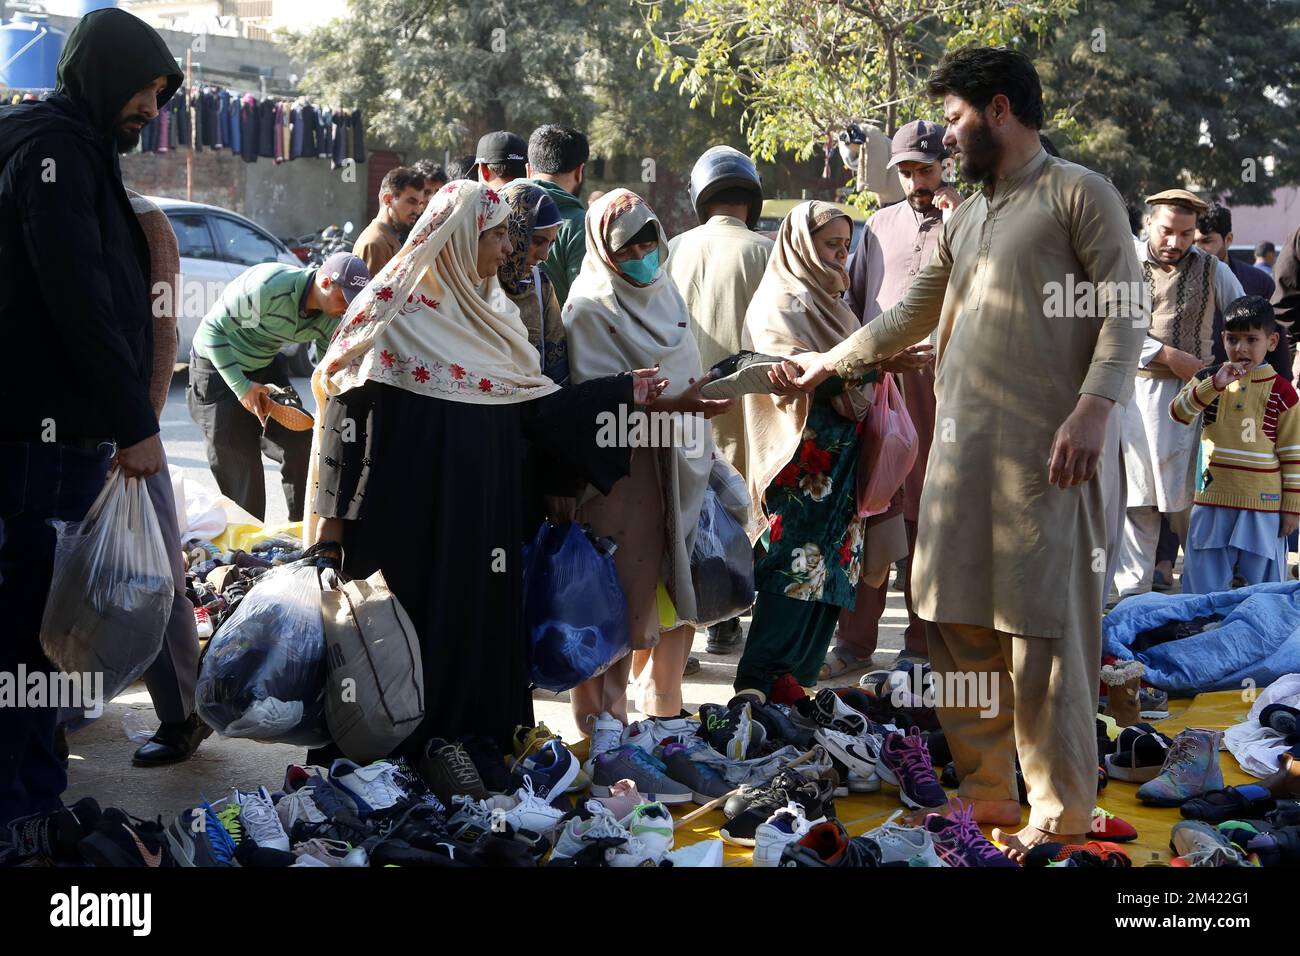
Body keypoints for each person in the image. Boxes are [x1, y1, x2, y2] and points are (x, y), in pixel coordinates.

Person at [771, 47, 1146, 860]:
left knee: (1042, 638)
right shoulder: (968, 213)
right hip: (959, 463)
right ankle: (987, 792)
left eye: (953, 118)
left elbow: (1126, 309)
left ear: (999, 110)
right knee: (955, 621)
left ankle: (1059, 817)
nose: (947, 136)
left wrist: (1094, 406)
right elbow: (909, 312)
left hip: (1048, 463)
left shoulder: (1080, 193)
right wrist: (828, 363)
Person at [306, 181, 664, 751]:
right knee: (401, 645)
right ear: (456, 239)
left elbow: (538, 409)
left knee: (473, 636)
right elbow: (342, 423)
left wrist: (623, 393)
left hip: (482, 529)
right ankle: (393, 757)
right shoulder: (392, 318)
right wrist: (330, 530)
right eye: (494, 234)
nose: (506, 248)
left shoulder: (495, 316)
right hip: (404, 532)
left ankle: (471, 749)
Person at [0, 7, 180, 826]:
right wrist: (135, 422)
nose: (152, 108)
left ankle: (30, 801)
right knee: (35, 639)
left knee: (33, 635)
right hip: (40, 443)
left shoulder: (54, 144)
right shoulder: (55, 152)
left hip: (40, 433)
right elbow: (78, 298)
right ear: (108, 76)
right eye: (145, 89)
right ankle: (24, 813)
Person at [565, 189, 733, 727]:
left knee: (664, 592)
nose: (643, 253)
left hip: (678, 467)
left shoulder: (669, 295)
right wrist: (675, 404)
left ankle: (659, 710)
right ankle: (599, 727)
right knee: (609, 599)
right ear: (603, 250)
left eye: (649, 240)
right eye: (628, 245)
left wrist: (691, 405)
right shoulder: (589, 307)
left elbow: (684, 371)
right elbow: (594, 399)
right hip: (620, 476)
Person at [735, 201, 912, 699]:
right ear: (802, 245)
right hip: (799, 473)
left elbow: (845, 367)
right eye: (830, 245)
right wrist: (879, 364)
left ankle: (796, 690)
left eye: (844, 246)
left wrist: (874, 363)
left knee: (830, 576)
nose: (840, 256)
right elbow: (795, 377)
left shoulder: (834, 302)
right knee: (792, 575)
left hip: (843, 472)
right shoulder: (780, 301)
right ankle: (754, 692)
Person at [823, 119, 959, 679]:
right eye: (904, 172)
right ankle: (854, 645)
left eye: (923, 170)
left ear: (945, 165)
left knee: (932, 510)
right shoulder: (876, 226)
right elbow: (852, 307)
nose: (914, 182)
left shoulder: (973, 221)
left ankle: (922, 644)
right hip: (883, 386)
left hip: (946, 389)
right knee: (873, 503)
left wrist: (959, 222)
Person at [666, 145, 773, 654]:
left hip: (679, 403)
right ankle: (726, 614)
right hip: (746, 406)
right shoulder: (768, 251)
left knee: (684, 510)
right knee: (737, 508)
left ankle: (677, 632)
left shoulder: (671, 248)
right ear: (751, 199)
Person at [1113, 190, 1244, 600]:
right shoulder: (1123, 263)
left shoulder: (1211, 269)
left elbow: (1246, 315)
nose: (1175, 242)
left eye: (1186, 234)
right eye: (1167, 231)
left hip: (1197, 399)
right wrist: (1168, 355)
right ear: (1148, 224)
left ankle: (1208, 599)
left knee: (1194, 504)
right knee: (1138, 501)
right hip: (1133, 394)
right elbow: (1107, 323)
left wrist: (1240, 371)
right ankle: (1131, 605)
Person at [188, 252, 370, 522]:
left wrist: (333, 405)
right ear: (324, 282)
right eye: (343, 297)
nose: (346, 306)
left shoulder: (332, 317)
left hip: (265, 362)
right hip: (217, 365)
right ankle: (247, 549)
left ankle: (301, 530)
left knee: (300, 443)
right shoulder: (268, 287)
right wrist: (242, 388)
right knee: (241, 464)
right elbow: (212, 331)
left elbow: (326, 367)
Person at [127, 191, 208, 766]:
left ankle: (182, 715)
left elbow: (162, 335)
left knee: (157, 578)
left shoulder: (142, 219)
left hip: (123, 433)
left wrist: (141, 430)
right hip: (37, 432)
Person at [1169, 295, 1299, 593]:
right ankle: (1200, 637)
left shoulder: (1282, 393)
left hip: (1263, 505)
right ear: (1222, 339)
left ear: (1273, 341)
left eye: (1252, 339)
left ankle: (1259, 638)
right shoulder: (1208, 380)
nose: (1240, 348)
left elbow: (1293, 455)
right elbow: (1178, 413)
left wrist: (1292, 507)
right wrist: (1214, 384)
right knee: (1203, 587)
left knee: (1263, 590)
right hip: (1212, 499)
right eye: (1232, 339)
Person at [1196, 202, 1287, 375]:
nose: (1198, 249)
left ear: (1228, 239)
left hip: (1247, 390)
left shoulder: (1258, 282)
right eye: (1192, 241)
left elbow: (1277, 344)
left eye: (1206, 241)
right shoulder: (1176, 281)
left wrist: (1282, 387)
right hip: (1191, 387)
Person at [497, 182, 569, 384]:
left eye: (551, 243)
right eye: (536, 241)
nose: (545, 255)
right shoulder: (481, 283)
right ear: (510, 231)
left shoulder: (540, 285)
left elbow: (557, 369)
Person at [526, 124, 589, 306]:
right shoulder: (580, 224)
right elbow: (583, 303)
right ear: (580, 171)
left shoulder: (498, 210)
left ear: (528, 170)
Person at [353, 166, 425, 276]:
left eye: (420, 204)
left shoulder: (391, 238)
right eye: (411, 202)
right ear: (388, 199)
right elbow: (371, 293)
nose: (417, 211)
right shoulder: (374, 243)